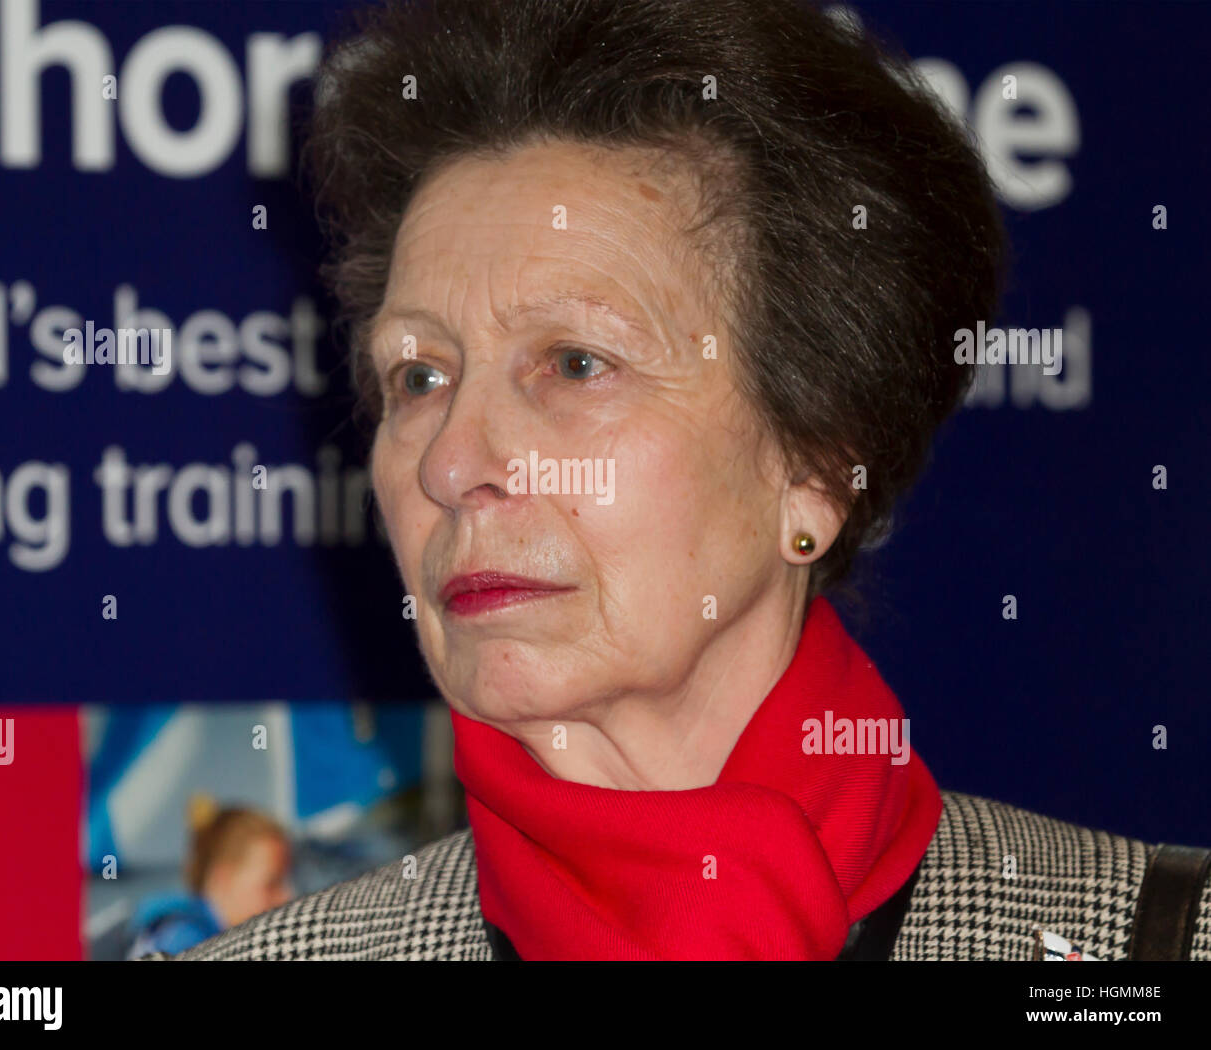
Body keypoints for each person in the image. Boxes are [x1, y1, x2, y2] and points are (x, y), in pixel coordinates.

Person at [149, 0, 1210, 960]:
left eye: (573, 364)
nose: (452, 461)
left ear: (814, 466)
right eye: (418, 376)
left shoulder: (1150, 948)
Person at [127, 797, 292, 958]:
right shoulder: (186, 940)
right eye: (272, 883)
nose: (287, 896)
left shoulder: (184, 931)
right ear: (224, 879)